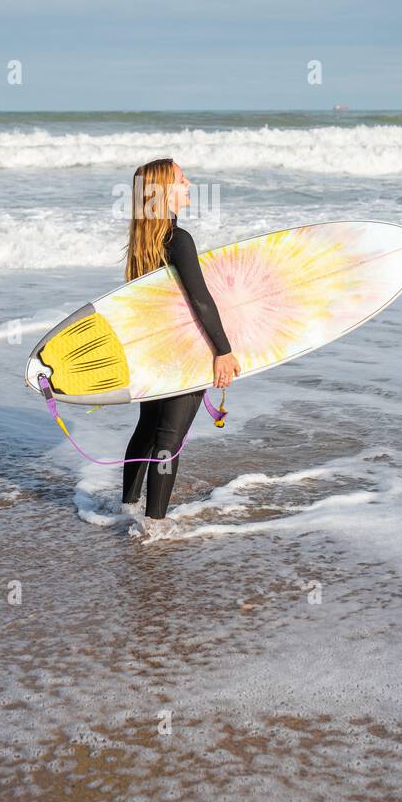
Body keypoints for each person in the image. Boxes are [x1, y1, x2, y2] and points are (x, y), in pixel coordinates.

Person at [121, 158, 240, 535]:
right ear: (161, 192)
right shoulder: (178, 239)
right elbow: (200, 300)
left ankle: (128, 507)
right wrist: (223, 350)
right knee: (169, 440)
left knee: (148, 428)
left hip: (154, 350)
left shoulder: (143, 245)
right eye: (182, 180)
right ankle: (154, 525)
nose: (189, 185)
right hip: (184, 351)